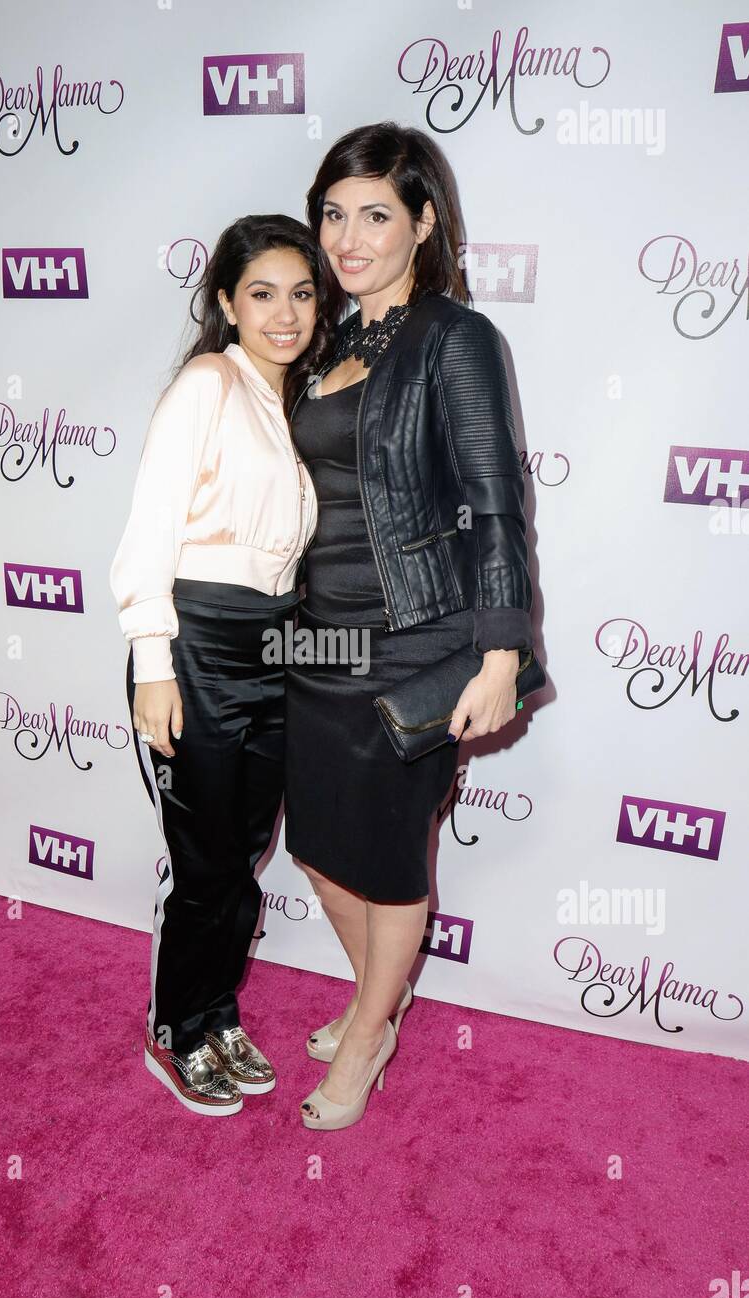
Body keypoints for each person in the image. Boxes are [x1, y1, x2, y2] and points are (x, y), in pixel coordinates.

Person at [283, 123, 536, 1131]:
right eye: (333, 213)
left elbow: (494, 500)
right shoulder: (325, 337)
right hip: (317, 635)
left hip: (417, 636)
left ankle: (366, 1030)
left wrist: (501, 651)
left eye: (375, 215)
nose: (347, 237)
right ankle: (373, 1001)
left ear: (423, 222)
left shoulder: (455, 339)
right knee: (310, 844)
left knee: (388, 861)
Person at [109, 214, 329, 1116]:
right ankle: (175, 1028)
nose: (286, 314)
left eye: (304, 293)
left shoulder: (292, 405)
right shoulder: (207, 382)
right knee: (203, 858)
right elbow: (149, 533)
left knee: (242, 852)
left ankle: (215, 1011)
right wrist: (153, 662)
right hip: (195, 644)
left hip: (276, 645)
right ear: (227, 304)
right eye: (263, 294)